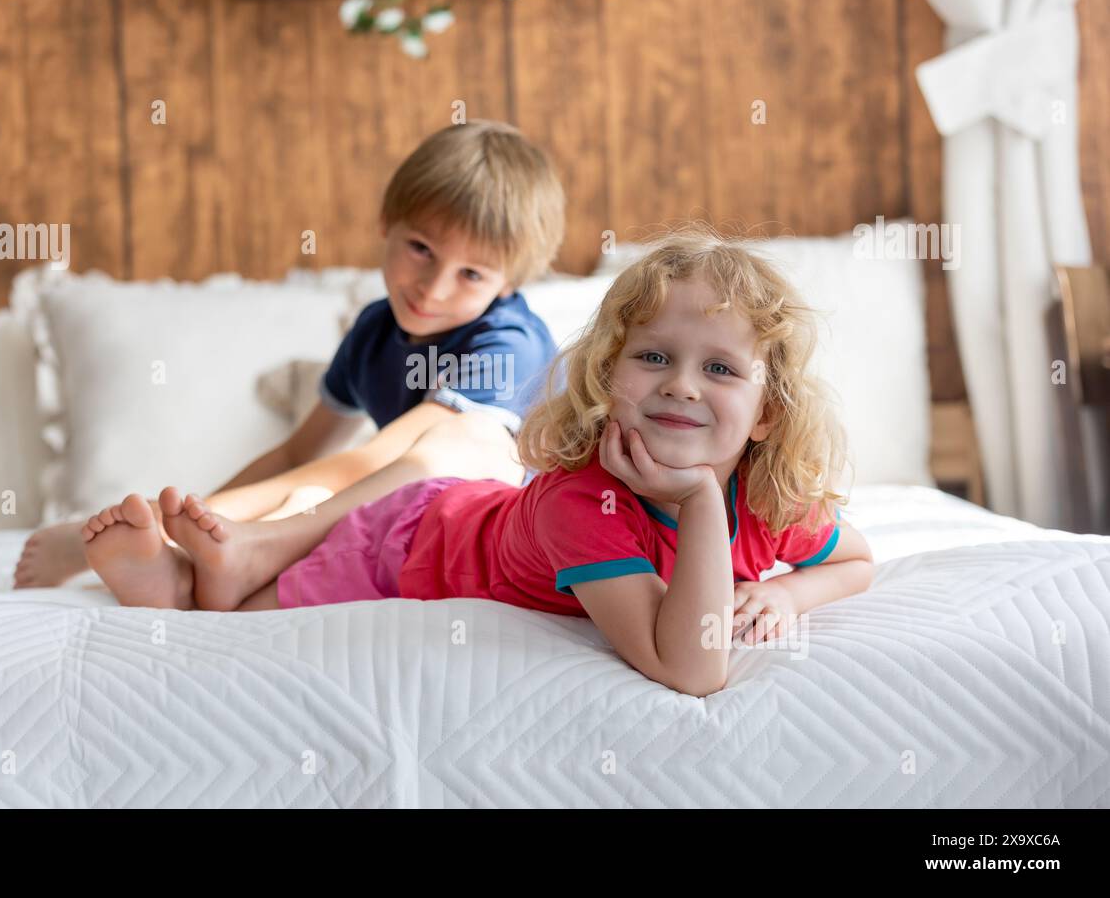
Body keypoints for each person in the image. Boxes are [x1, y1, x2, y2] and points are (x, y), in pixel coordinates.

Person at [78, 227, 876, 697]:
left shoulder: (775, 499)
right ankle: (182, 587)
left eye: (721, 370)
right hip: (415, 544)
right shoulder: (582, 502)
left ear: (768, 414)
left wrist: (792, 593)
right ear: (605, 376)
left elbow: (858, 562)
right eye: (656, 356)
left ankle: (223, 565)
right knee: (239, 623)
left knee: (250, 591)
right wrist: (701, 502)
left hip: (454, 512)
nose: (680, 387)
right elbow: (691, 667)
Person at [13, 118, 565, 587]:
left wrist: (170, 522)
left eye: (471, 274)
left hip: (506, 546)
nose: (433, 288)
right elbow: (297, 453)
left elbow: (384, 460)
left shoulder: (509, 344)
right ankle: (183, 579)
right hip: (408, 525)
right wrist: (195, 519)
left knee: (455, 442)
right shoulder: (376, 328)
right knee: (303, 490)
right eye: (420, 249)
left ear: (510, 284)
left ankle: (235, 552)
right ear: (385, 226)